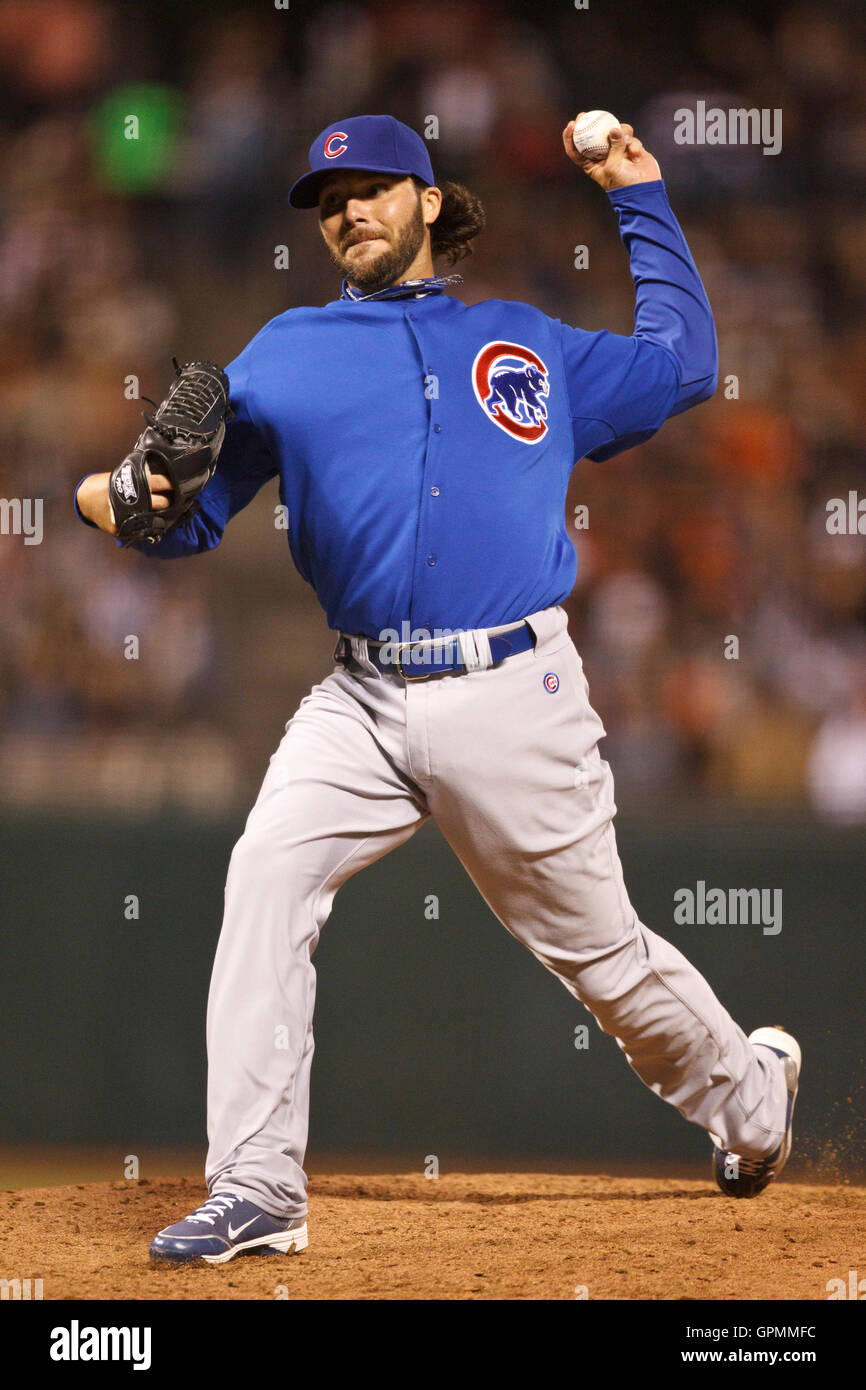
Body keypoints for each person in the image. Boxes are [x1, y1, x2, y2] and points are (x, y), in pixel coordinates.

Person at [75, 114, 801, 1266]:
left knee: (602, 959)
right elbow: (184, 523)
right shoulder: (282, 353)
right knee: (265, 872)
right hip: (357, 697)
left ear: (426, 201)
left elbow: (684, 365)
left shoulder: (524, 342)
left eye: (369, 188)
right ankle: (257, 1187)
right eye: (327, 200)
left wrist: (640, 195)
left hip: (513, 686)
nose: (346, 210)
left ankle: (753, 1102)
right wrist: (115, 496)